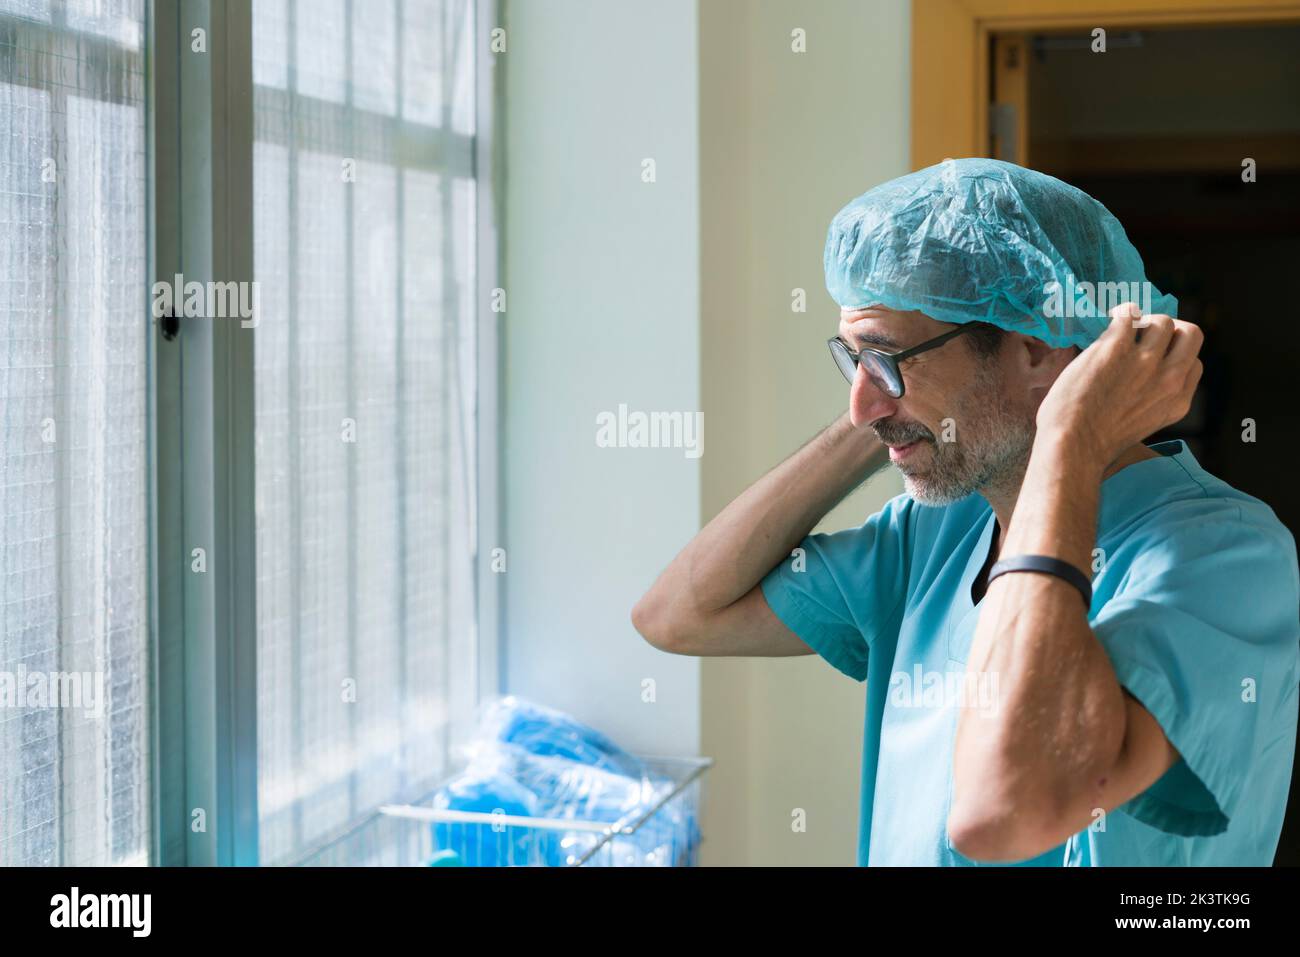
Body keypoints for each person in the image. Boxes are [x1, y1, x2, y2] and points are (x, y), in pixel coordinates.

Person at [631, 158, 1299, 866]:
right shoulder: (932, 533)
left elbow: (1002, 811)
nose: (859, 405)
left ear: (1036, 347)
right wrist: (890, 407)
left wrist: (1069, 437)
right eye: (852, 360)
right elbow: (678, 613)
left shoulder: (1226, 556)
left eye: (889, 359)